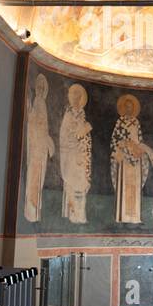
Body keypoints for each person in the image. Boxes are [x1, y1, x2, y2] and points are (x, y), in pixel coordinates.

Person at [110, 95, 153, 224]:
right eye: (127, 107)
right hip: (125, 159)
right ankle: (122, 216)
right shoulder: (120, 122)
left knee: (134, 186)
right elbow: (115, 139)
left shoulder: (136, 122)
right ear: (124, 108)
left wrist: (140, 150)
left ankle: (134, 216)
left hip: (136, 157)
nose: (129, 110)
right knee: (125, 185)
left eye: (131, 107)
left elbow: (139, 140)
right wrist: (124, 146)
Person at [59, 83, 92, 223]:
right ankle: (72, 214)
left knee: (81, 184)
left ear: (81, 98)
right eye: (72, 95)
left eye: (77, 96)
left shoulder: (82, 115)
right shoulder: (68, 114)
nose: (75, 98)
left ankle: (80, 215)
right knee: (72, 184)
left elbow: (86, 137)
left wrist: (85, 132)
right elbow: (64, 135)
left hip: (81, 157)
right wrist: (78, 134)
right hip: (71, 155)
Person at [23, 74, 54, 222]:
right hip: (36, 148)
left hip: (41, 148)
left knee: (39, 177)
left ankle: (35, 209)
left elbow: (44, 127)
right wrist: (29, 109)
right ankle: (31, 208)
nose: (40, 89)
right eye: (39, 87)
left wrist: (48, 141)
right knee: (34, 176)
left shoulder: (42, 103)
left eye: (43, 87)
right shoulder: (37, 101)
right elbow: (33, 122)